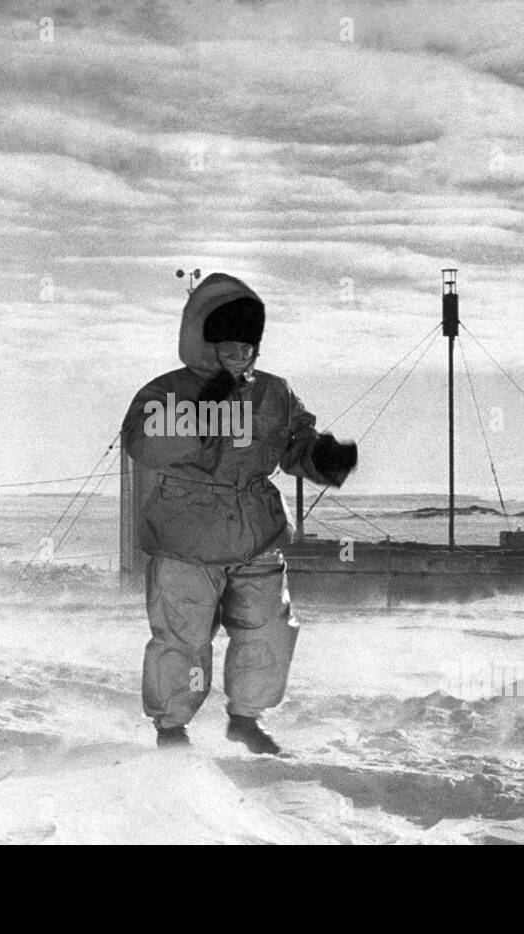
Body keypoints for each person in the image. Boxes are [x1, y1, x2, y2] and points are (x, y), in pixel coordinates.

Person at [121, 272, 357, 753]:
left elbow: (296, 444)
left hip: (256, 533)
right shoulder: (164, 393)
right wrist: (198, 415)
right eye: (228, 347)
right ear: (203, 343)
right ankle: (172, 727)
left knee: (268, 628)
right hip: (185, 536)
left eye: (248, 348)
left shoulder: (274, 393)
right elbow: (142, 445)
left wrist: (322, 458)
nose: (240, 356)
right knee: (182, 638)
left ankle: (246, 718)